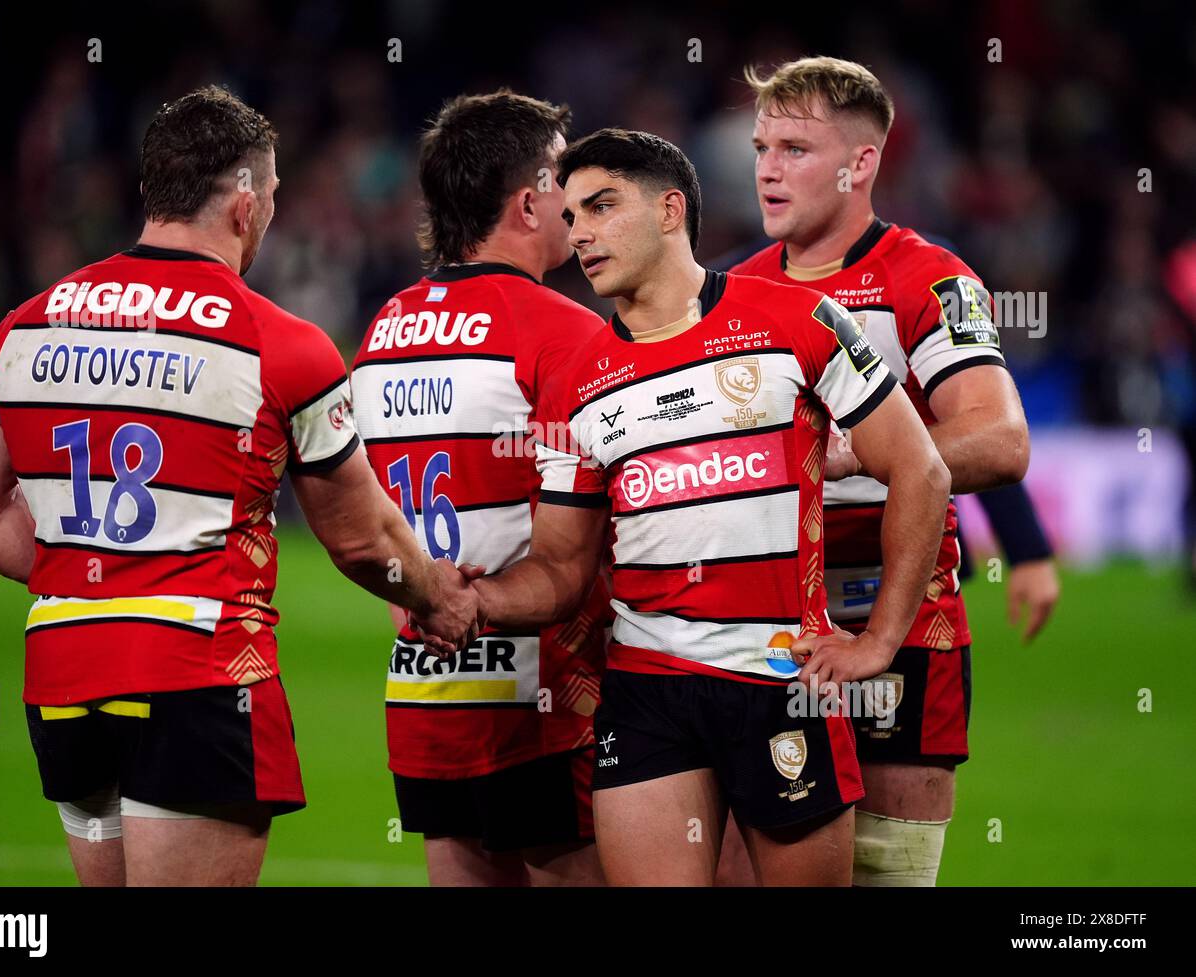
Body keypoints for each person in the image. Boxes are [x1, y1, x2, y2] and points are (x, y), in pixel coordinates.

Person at [0, 86, 477, 887]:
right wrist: (442, 598)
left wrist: (95, 580)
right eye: (275, 196)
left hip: (64, 674)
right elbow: (362, 540)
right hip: (196, 671)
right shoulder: (282, 344)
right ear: (246, 201)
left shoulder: (28, 322)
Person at [417, 128, 951, 885]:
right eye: (569, 217)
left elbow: (919, 469)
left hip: (779, 682)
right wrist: (479, 600)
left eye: (601, 207)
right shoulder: (577, 379)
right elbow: (563, 567)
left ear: (671, 210)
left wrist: (880, 639)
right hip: (647, 690)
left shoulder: (803, 320)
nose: (581, 234)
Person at [722, 56, 1032, 885]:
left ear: (862, 164)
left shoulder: (927, 278)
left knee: (886, 873)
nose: (766, 167)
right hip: (764, 631)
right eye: (761, 146)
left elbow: (1001, 439)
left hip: (901, 622)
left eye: (793, 147)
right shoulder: (731, 294)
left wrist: (859, 450)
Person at [351, 91, 609, 885]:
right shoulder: (565, 330)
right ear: (531, 201)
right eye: (565, 180)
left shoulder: (383, 330)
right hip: (547, 691)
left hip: (428, 686)